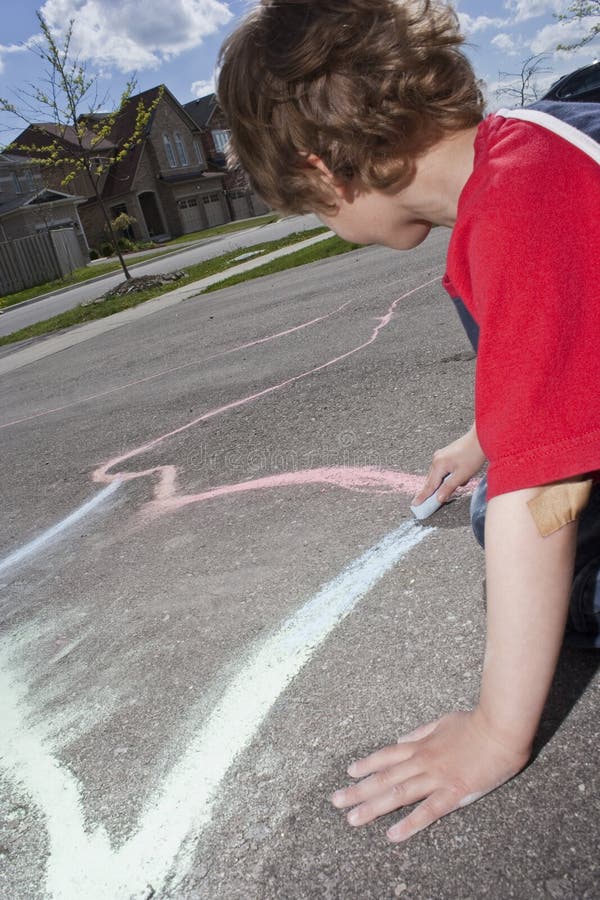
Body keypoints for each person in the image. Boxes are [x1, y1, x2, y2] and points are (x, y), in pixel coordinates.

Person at [217, 0, 600, 843]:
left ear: (325, 172)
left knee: (535, 554)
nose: (330, 226)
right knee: (498, 501)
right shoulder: (532, 148)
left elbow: (548, 493)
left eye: (316, 212)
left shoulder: (517, 208)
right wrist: (483, 436)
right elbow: (574, 338)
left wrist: (495, 730)